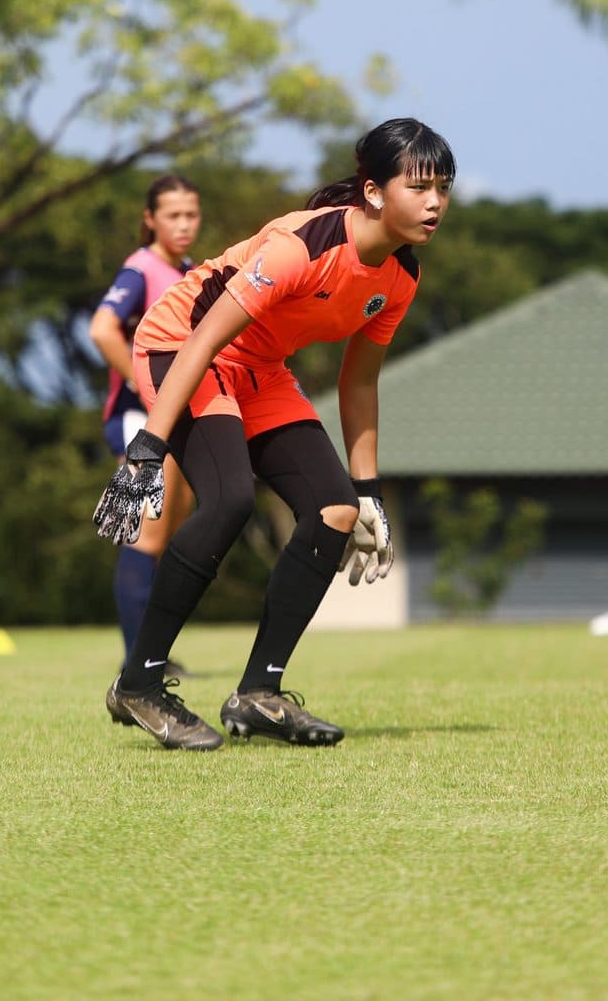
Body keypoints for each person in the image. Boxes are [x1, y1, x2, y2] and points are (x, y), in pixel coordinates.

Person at [93, 117, 453, 750]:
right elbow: (204, 338)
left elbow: (359, 382)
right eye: (419, 187)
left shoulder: (401, 276)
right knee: (229, 499)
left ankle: (259, 693)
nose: (435, 203)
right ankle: (138, 683)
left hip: (259, 368)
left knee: (335, 510)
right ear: (373, 192)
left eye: (443, 188)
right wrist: (149, 444)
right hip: (181, 347)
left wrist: (368, 491)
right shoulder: (301, 246)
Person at [86, 174, 201, 668]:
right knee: (145, 536)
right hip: (140, 419)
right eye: (173, 215)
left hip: (178, 419)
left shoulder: (190, 271)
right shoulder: (140, 269)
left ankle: (152, 655)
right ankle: (137, 661)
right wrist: (142, 381)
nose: (183, 224)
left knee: (167, 537)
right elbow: (102, 329)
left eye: (191, 214)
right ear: (150, 219)